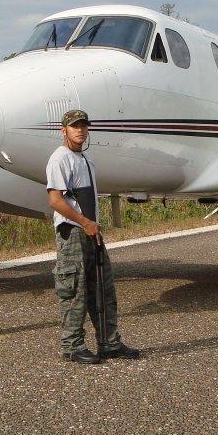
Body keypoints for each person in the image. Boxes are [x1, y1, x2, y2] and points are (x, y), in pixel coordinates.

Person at [45, 109, 139, 364]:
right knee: (74, 290)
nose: (80, 130)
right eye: (75, 126)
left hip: (90, 231)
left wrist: (92, 226)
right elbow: (55, 200)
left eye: (84, 126)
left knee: (103, 287)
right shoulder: (60, 159)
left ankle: (109, 343)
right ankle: (72, 346)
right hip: (73, 232)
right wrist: (85, 223)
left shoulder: (85, 160)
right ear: (63, 130)